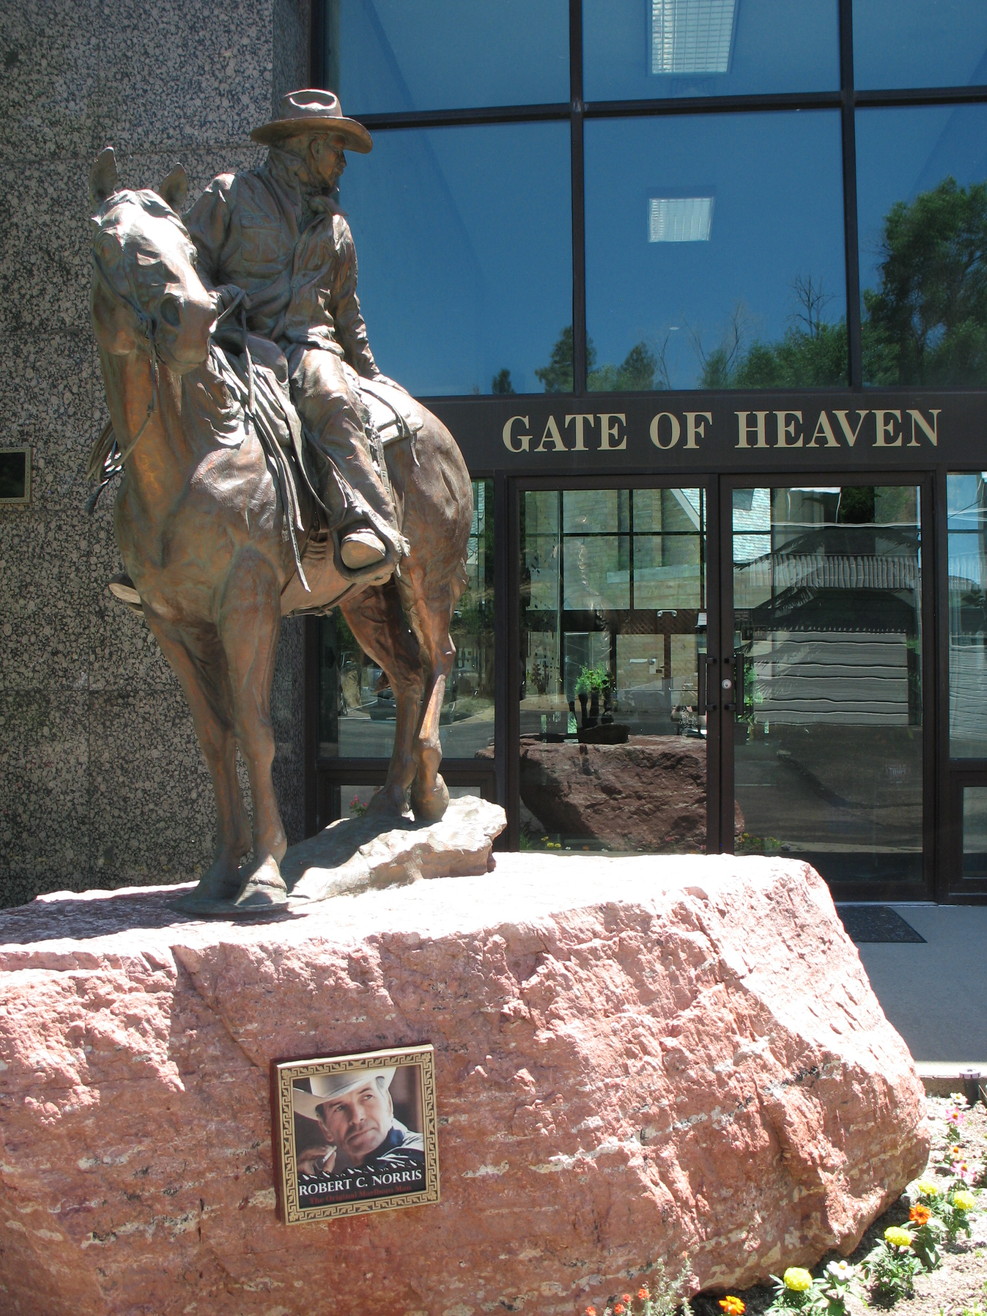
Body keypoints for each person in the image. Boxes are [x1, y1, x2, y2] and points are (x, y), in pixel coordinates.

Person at [184, 88, 407, 574]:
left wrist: (369, 371)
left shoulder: (336, 229)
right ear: (311, 147)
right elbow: (186, 264)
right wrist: (211, 300)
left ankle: (360, 521)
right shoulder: (231, 195)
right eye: (336, 149)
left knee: (331, 396)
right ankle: (150, 548)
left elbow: (348, 312)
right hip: (234, 343)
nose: (342, 165)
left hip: (309, 347)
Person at [292, 1066, 426, 1204]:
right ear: (325, 1128)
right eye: (340, 1108)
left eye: (367, 1097)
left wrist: (310, 1193)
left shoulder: (420, 1152)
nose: (356, 1117)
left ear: (388, 1104)